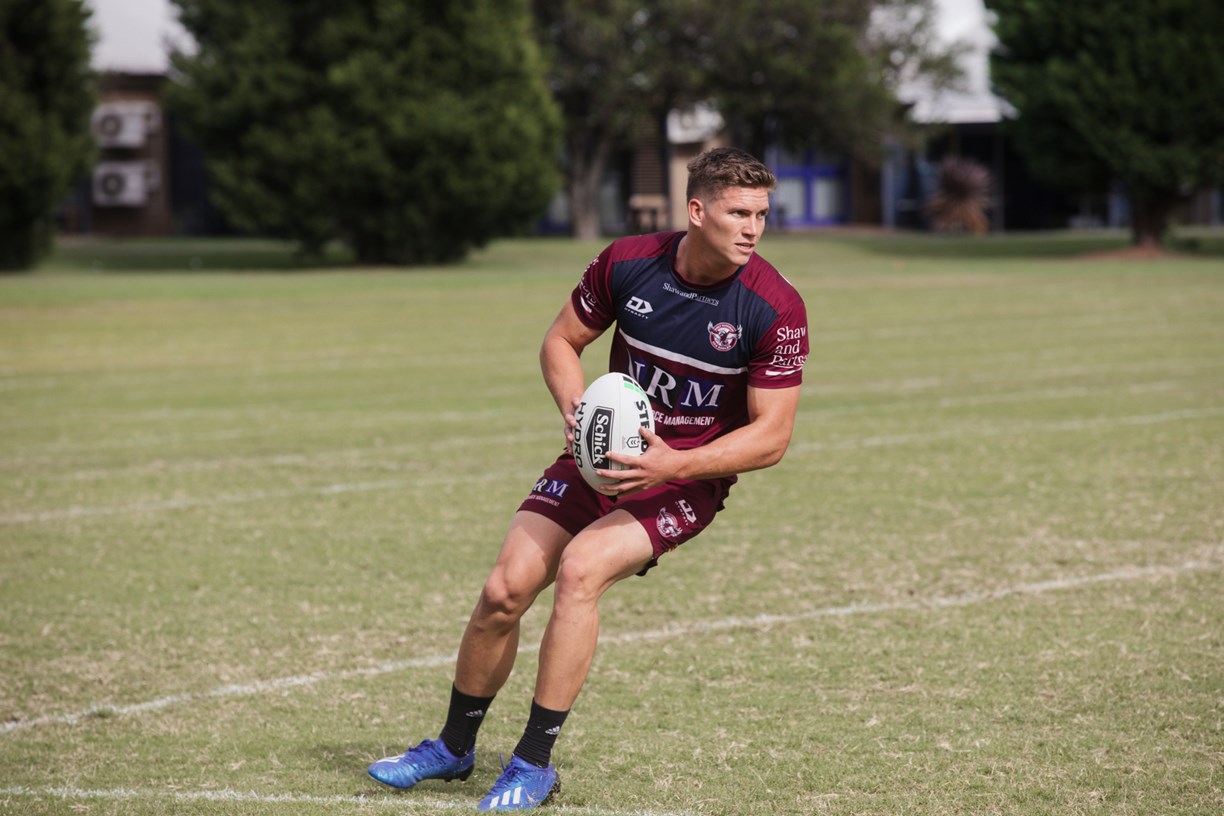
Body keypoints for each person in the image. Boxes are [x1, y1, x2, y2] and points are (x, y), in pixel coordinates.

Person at [368, 147, 809, 810]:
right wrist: (580, 414)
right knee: (504, 590)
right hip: (598, 456)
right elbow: (560, 341)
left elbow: (772, 436)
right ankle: (453, 749)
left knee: (580, 571)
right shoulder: (628, 263)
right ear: (697, 211)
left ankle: (532, 763)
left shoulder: (773, 306)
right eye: (738, 213)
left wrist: (674, 464)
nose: (753, 228)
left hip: (685, 478)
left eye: (762, 215)